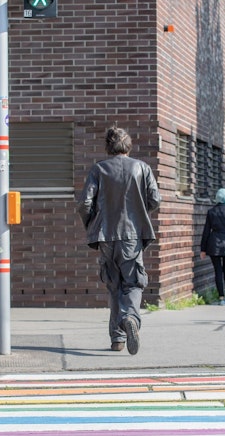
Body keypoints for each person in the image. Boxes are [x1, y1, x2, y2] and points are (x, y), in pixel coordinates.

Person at [78, 126, 161, 355]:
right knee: (133, 282)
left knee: (114, 285)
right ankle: (130, 318)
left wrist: (92, 225)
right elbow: (155, 199)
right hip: (132, 235)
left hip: (106, 234)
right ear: (128, 145)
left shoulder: (99, 169)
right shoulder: (142, 168)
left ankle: (117, 339)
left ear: (108, 146)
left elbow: (85, 203)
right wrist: (138, 210)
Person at [200, 188, 225, 305]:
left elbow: (206, 230)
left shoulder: (211, 211)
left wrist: (203, 248)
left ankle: (221, 297)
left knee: (217, 271)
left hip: (213, 243)